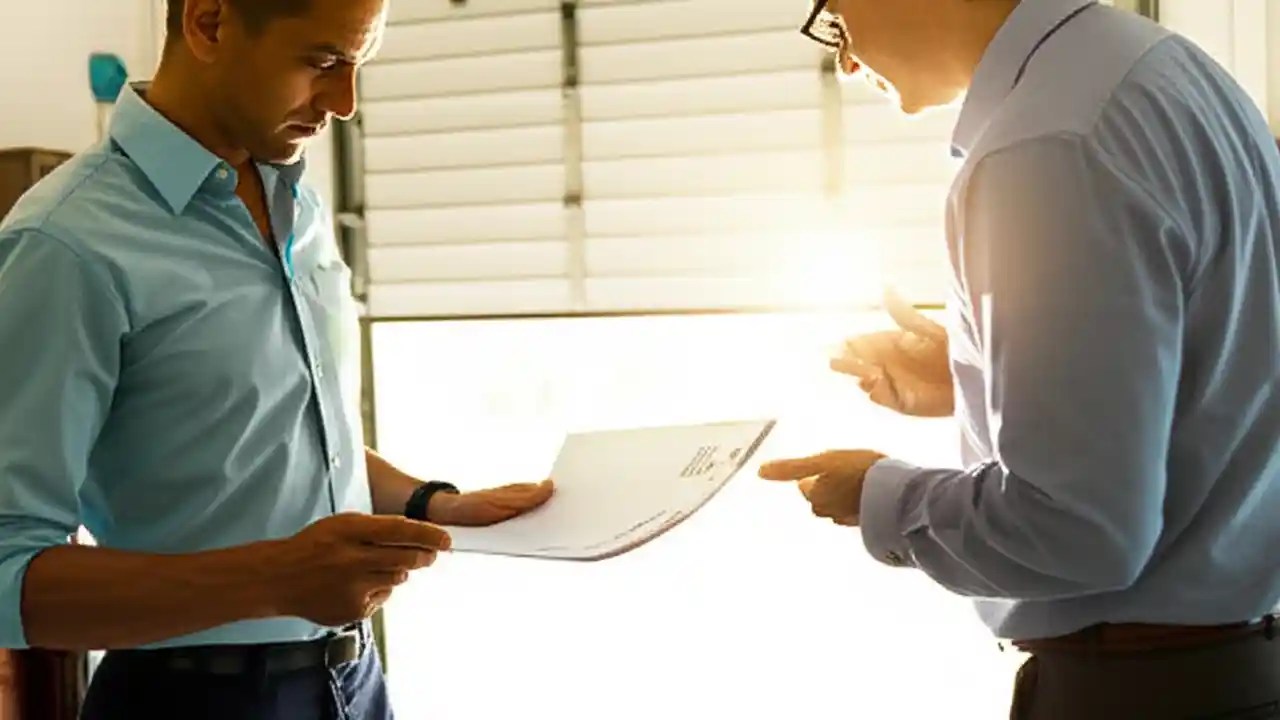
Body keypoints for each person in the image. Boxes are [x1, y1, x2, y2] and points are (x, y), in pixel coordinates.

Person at [0, 0, 554, 718]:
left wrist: (434, 503)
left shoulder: (296, 198)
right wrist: (274, 582)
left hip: (355, 682)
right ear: (208, 23)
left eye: (359, 64)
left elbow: (280, 432)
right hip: (190, 701)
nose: (346, 104)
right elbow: (7, 570)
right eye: (322, 63)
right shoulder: (64, 246)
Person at [759, 1, 1280, 717]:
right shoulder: (1163, 71)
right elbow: (1216, 364)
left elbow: (1078, 530)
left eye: (837, 20)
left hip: (1136, 692)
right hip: (1235, 673)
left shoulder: (1046, 144)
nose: (844, 61)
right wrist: (982, 375)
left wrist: (879, 496)